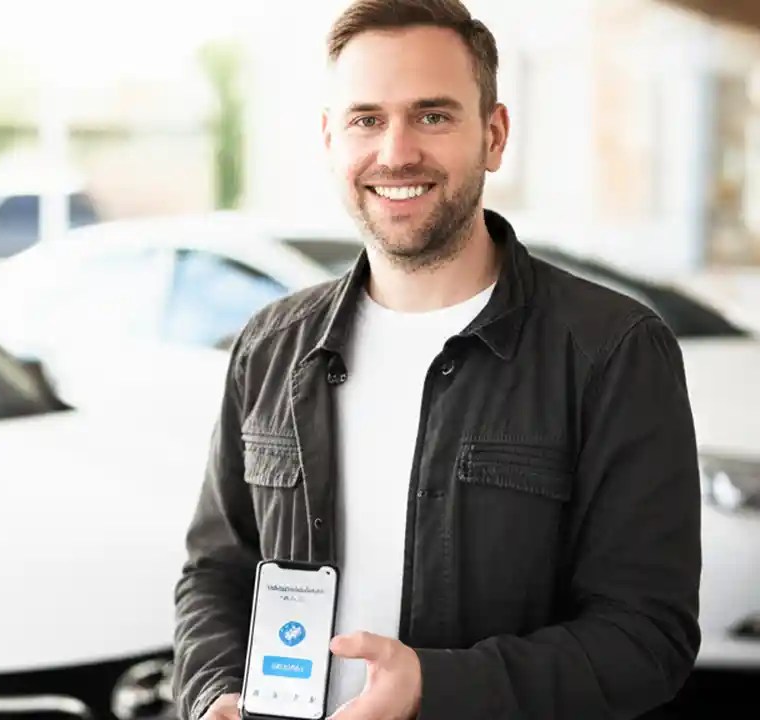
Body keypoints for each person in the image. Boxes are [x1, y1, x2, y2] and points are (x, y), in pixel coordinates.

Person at [171, 1, 702, 718]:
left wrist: (434, 686)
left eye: (432, 115)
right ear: (330, 138)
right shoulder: (269, 346)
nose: (395, 152)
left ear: (493, 134)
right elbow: (215, 574)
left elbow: (646, 639)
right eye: (365, 118)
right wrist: (213, 697)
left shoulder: (613, 351)